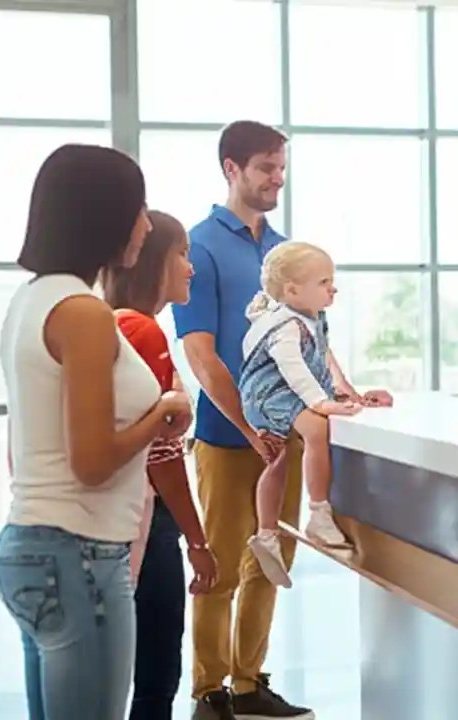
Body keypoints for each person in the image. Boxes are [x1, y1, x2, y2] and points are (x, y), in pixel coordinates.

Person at [0, 144, 192, 720]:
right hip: (78, 553)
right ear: (104, 215)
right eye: (139, 210)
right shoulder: (83, 313)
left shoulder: (32, 299)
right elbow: (93, 461)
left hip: (33, 547)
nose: (146, 226)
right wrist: (163, 412)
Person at [171, 120, 306, 719]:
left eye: (282, 167)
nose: (278, 178)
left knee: (270, 563)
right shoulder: (200, 246)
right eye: (266, 167)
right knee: (220, 567)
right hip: (228, 438)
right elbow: (201, 354)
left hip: (285, 437)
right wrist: (251, 430)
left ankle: (248, 685)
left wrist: (345, 393)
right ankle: (209, 690)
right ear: (232, 168)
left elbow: (305, 342)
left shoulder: (285, 253)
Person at [103, 209, 220, 719]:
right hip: (146, 523)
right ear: (153, 261)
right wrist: (198, 541)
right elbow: (163, 457)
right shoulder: (141, 331)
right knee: (156, 674)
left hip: (119, 516)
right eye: (182, 254)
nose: (191, 268)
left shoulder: (110, 324)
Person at [241, 241, 388, 588]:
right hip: (270, 392)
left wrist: (347, 393)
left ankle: (266, 533)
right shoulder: (285, 325)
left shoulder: (312, 318)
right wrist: (320, 403)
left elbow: (323, 358)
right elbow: (293, 368)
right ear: (292, 290)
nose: (333, 288)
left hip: (286, 390)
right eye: (324, 282)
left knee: (277, 461)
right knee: (317, 430)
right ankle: (319, 514)